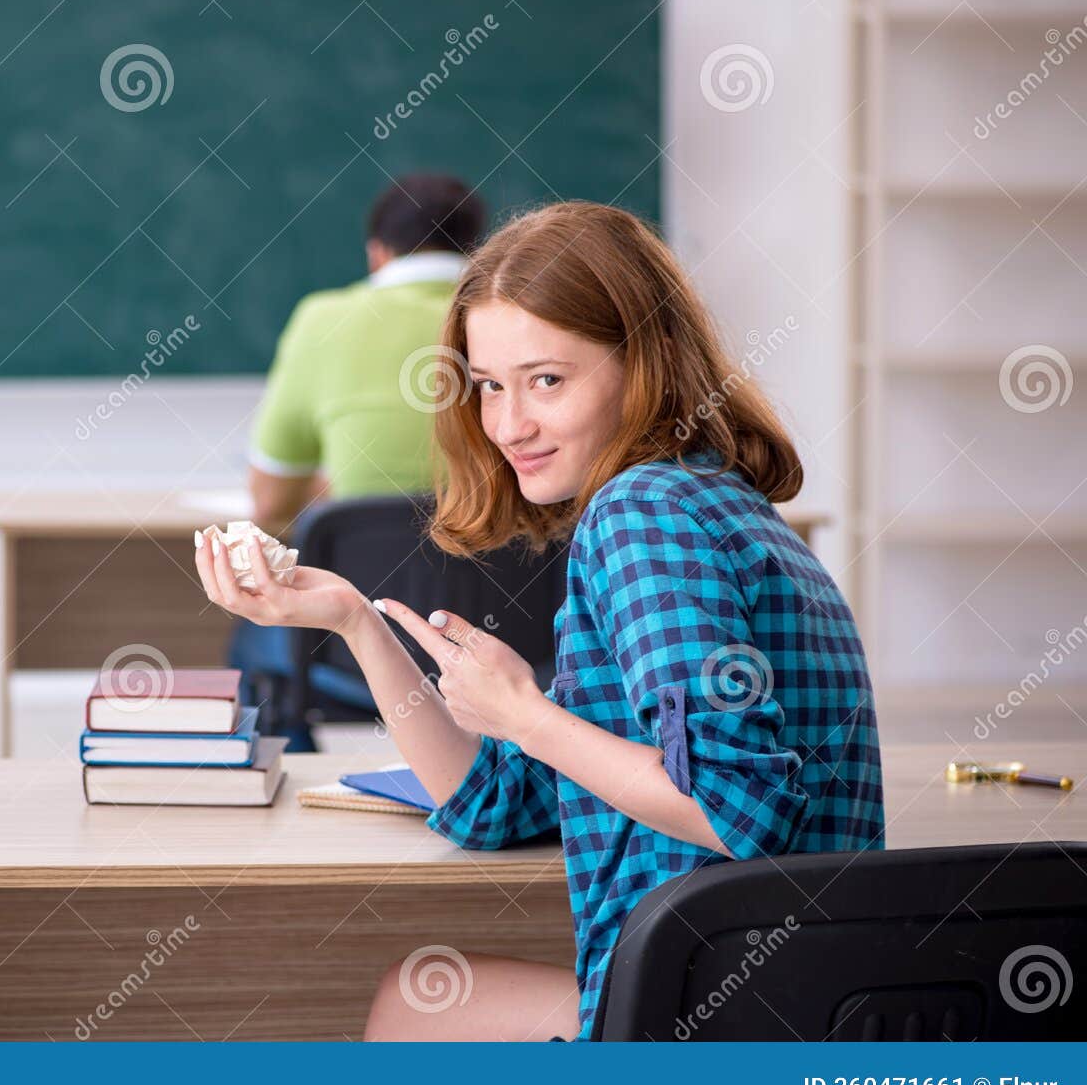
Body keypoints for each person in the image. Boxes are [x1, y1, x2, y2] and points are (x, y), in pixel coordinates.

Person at [193, 200, 886, 1041]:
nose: (508, 425)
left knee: (414, 1007)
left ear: (646, 363)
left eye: (547, 381)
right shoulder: (708, 496)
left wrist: (527, 715)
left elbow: (737, 809)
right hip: (802, 1005)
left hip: (719, 1023)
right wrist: (353, 621)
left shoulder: (643, 514)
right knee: (416, 995)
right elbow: (495, 806)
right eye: (489, 387)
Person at [230, 173, 487, 750]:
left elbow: (271, 503)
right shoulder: (517, 318)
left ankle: (285, 804)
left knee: (253, 637)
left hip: (356, 648)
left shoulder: (324, 320)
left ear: (377, 253)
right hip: (516, 646)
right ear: (480, 252)